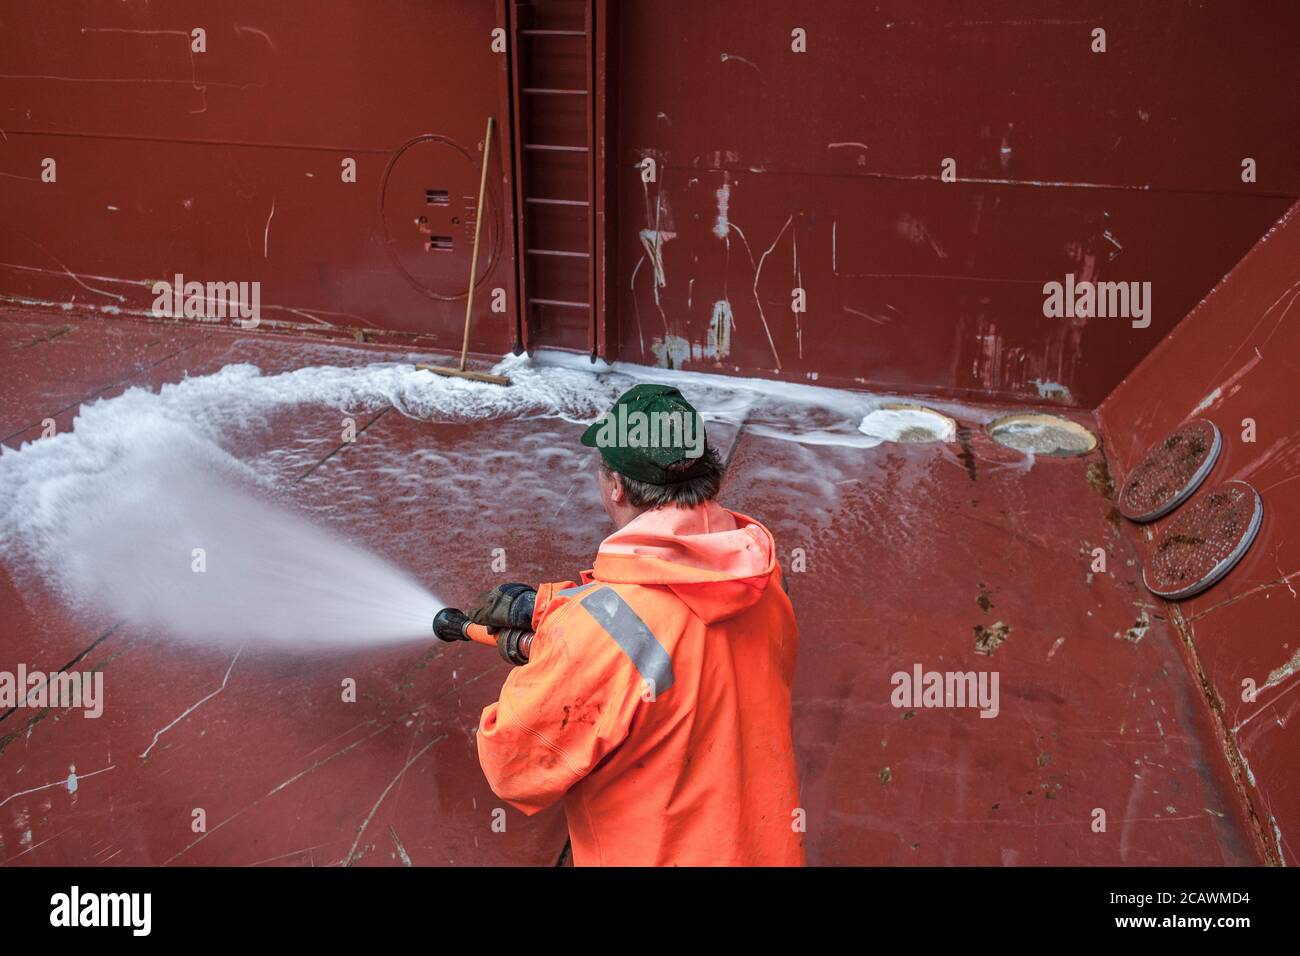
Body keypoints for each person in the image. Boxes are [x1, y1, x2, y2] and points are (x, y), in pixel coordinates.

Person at [470, 383, 804, 866]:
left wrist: (552, 655)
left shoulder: (600, 635)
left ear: (617, 486)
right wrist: (550, 609)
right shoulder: (763, 574)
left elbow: (510, 762)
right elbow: (678, 628)